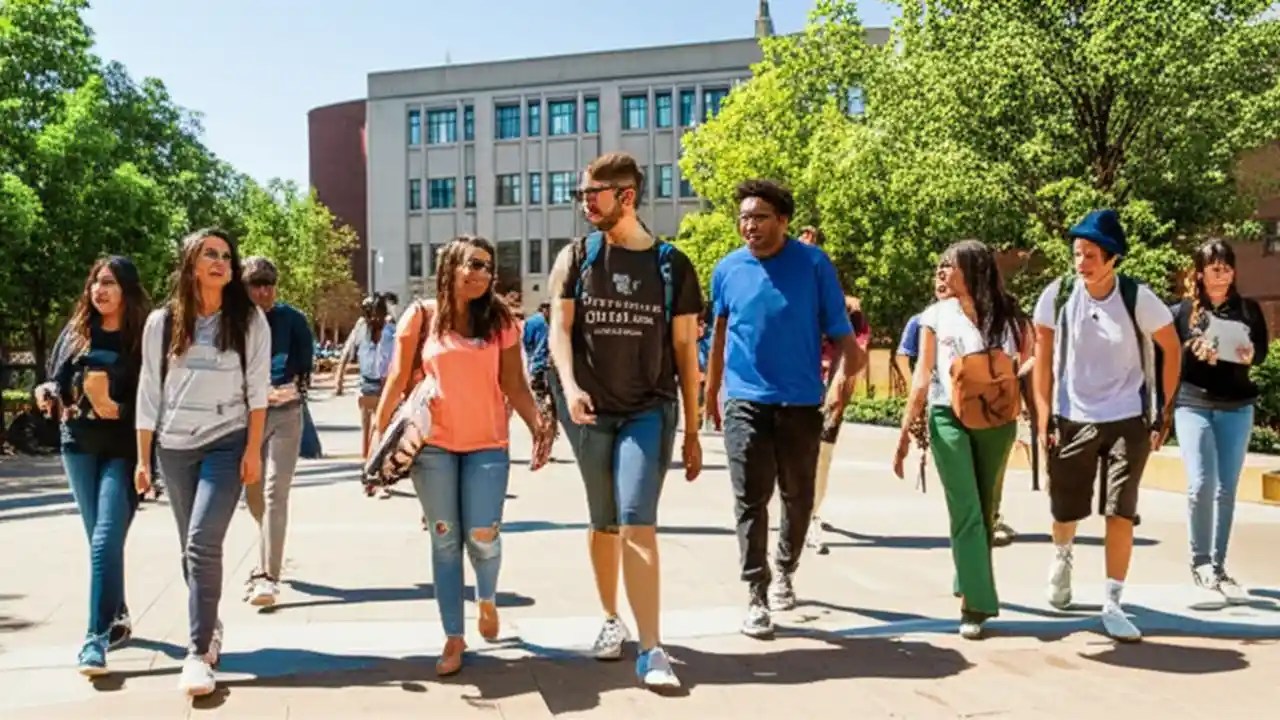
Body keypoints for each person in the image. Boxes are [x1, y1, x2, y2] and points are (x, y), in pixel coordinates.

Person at [547, 152, 704, 690]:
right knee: (604, 521)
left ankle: (652, 648)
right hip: (589, 408)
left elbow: (686, 349)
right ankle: (610, 618)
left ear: (627, 196)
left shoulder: (672, 265)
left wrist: (692, 429)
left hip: (649, 408)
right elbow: (558, 334)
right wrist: (569, 388)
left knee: (638, 520)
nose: (586, 202)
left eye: (594, 192)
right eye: (581, 194)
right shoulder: (574, 258)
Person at [374, 235, 553, 677]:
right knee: (444, 538)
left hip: (488, 445)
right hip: (432, 447)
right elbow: (397, 380)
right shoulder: (421, 317)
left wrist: (538, 425)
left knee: (482, 534)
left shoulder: (501, 322)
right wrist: (377, 441)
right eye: (472, 264)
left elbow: (513, 383)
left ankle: (487, 598)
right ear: (450, 266)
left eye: (487, 267)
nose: (480, 273)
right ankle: (453, 636)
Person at [705, 179, 866, 639]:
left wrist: (840, 385)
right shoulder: (728, 269)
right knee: (749, 499)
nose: (748, 225)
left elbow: (842, 337)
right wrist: (712, 391)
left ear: (783, 221)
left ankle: (785, 565)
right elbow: (720, 331)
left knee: (797, 496)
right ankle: (756, 592)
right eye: (743, 218)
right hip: (745, 401)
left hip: (800, 402)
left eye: (758, 217)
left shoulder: (814, 264)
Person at [1032, 209, 1181, 642]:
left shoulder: (1138, 297)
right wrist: (1043, 415)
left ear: (1112, 258)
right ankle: (1062, 557)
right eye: (1077, 254)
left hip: (1126, 420)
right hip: (1071, 416)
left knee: (1120, 510)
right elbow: (1042, 363)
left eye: (1091, 255)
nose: (1081, 263)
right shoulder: (1057, 296)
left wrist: (1164, 411)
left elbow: (1172, 347)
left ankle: (1113, 602)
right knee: (1065, 507)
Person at [134, 228, 271, 695]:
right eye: (210, 254)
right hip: (172, 448)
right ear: (192, 263)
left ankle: (196, 653)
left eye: (226, 257)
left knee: (201, 541)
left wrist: (253, 449)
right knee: (189, 549)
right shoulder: (162, 322)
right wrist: (142, 458)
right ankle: (210, 625)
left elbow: (258, 392)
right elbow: (149, 391)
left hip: (226, 441)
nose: (220, 262)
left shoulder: (249, 320)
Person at [893, 240, 1030, 639]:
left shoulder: (1009, 316)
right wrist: (905, 431)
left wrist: (1012, 377)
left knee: (986, 510)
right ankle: (977, 605)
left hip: (998, 418)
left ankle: (966, 575)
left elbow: (1033, 357)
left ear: (972, 270)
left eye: (949, 266)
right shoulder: (934, 315)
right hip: (946, 414)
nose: (942, 273)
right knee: (967, 509)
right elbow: (921, 376)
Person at [37, 256, 150, 676]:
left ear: (127, 290)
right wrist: (48, 392)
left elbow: (151, 401)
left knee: (104, 541)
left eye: (109, 283)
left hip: (123, 450)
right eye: (95, 282)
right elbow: (55, 379)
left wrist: (112, 407)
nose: (99, 290)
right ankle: (117, 613)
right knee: (100, 541)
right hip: (78, 447)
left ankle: (94, 637)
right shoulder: (75, 334)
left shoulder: (142, 337)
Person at [1170, 239, 1270, 602]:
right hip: (1193, 404)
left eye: (1227, 266)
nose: (1222, 273)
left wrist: (1248, 354)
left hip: (1237, 406)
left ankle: (1218, 566)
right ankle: (1199, 564)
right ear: (1200, 273)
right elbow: (1166, 355)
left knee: (1227, 488)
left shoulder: (1248, 310)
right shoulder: (1182, 312)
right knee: (1200, 483)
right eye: (1215, 267)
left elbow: (1260, 353)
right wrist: (1191, 350)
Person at [240, 257, 314, 607]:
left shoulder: (293, 320)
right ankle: (268, 546)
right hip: (245, 416)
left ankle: (267, 575)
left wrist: (290, 388)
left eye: (269, 283)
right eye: (256, 284)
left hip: (285, 413)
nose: (264, 290)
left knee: (274, 492)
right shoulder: (233, 323)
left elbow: (303, 370)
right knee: (252, 495)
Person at [807, 295, 870, 554]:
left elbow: (859, 354)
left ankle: (811, 517)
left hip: (830, 396)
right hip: (792, 394)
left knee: (822, 457)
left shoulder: (850, 313)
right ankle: (798, 512)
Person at [338, 295, 396, 497]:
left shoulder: (391, 331)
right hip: (365, 386)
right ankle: (369, 475)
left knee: (381, 433)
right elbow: (347, 351)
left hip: (385, 387)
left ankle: (380, 478)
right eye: (370, 315)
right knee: (367, 434)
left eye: (377, 315)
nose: (374, 320)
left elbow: (399, 357)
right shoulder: (361, 328)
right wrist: (339, 378)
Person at [523, 301, 557, 442]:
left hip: (538, 366)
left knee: (540, 401)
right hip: (553, 367)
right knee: (553, 404)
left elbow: (527, 343)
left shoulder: (531, 322)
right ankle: (550, 431)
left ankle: (543, 434)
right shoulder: (556, 319)